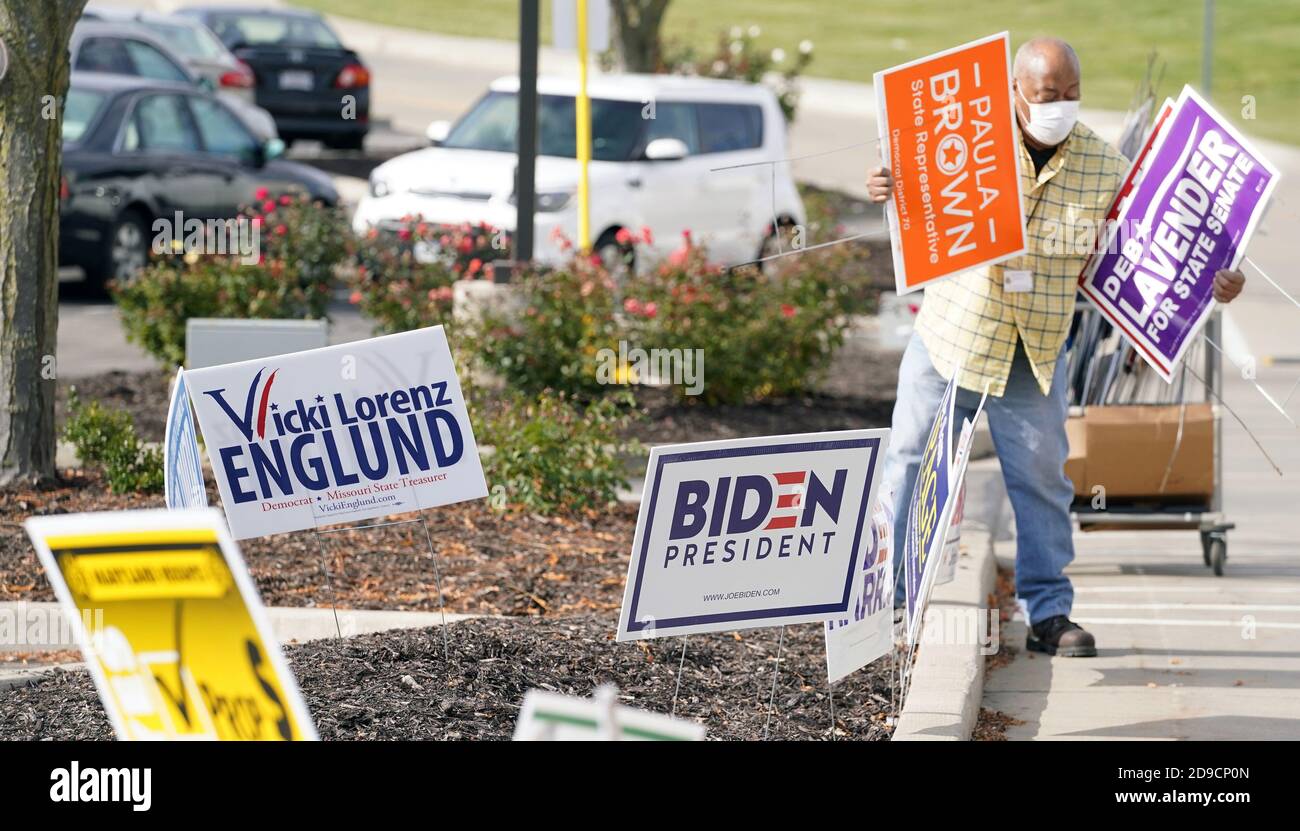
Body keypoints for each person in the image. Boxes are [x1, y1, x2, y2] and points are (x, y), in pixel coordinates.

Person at [866, 37, 1246, 657]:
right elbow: (907, 190)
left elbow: (1156, 249)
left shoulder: (1105, 166)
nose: (1060, 106)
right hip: (954, 335)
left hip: (1033, 349)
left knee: (1043, 479)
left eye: (1071, 94)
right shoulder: (966, 142)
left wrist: (1216, 282)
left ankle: (1049, 613)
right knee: (912, 460)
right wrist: (888, 185)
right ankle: (890, 604)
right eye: (1046, 96)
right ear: (1015, 93)